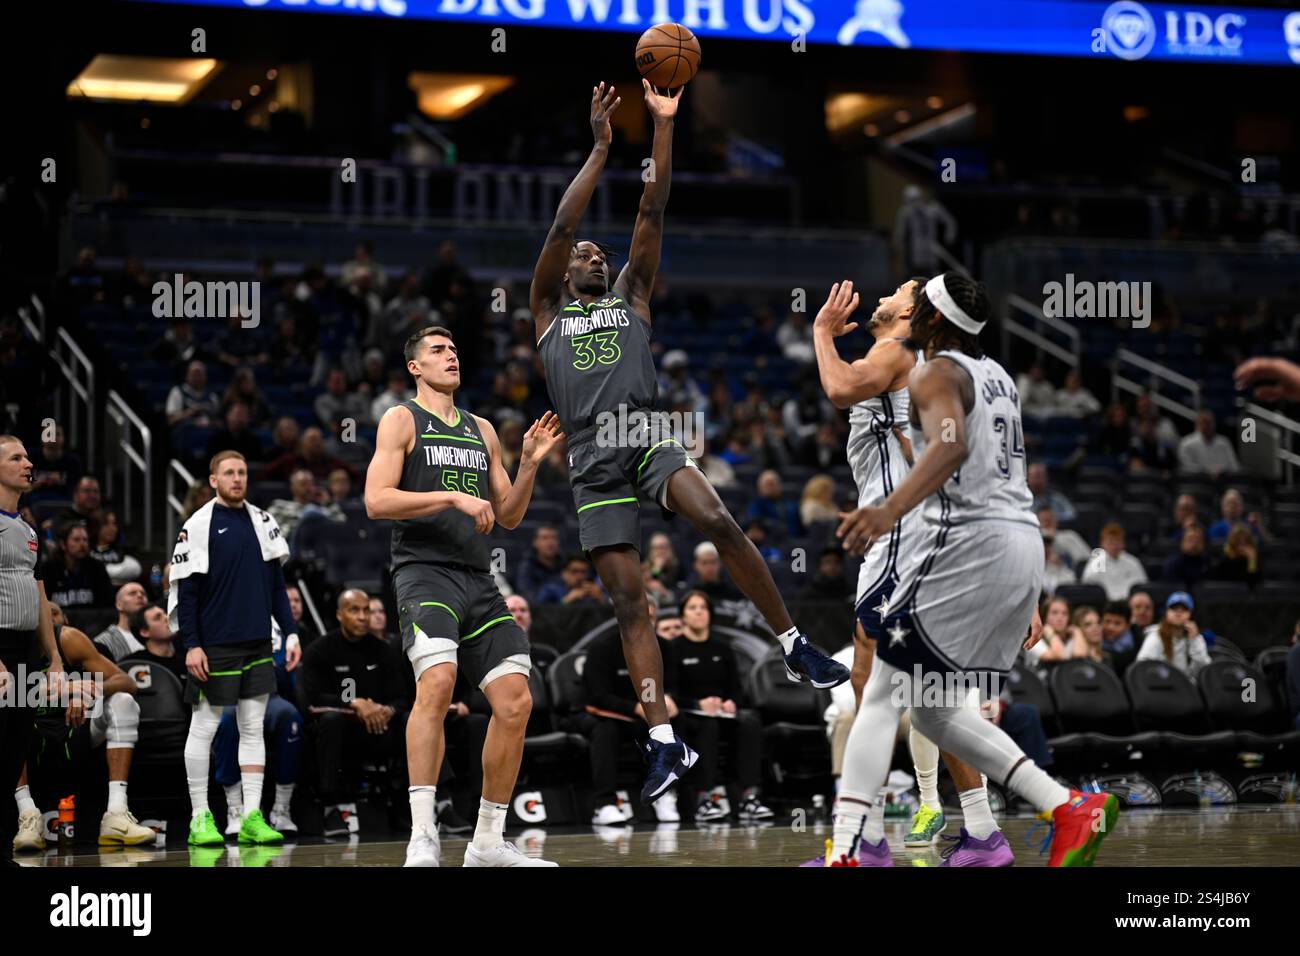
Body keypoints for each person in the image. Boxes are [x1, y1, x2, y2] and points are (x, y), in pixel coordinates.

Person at [529, 80, 848, 808]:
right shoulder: (546, 311)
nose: (592, 255)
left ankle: (794, 642)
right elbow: (556, 230)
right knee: (631, 602)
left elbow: (652, 204)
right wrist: (602, 146)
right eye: (584, 253)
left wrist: (662, 127)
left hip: (641, 433)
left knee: (717, 518)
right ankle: (665, 737)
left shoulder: (632, 297)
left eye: (598, 254)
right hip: (588, 455)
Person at [833, 272, 1118, 868]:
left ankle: (855, 850)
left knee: (881, 692)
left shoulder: (934, 371)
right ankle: (1061, 805)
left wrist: (887, 510)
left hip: (965, 547)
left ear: (929, 321)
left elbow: (950, 444)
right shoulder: (1002, 380)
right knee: (934, 705)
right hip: (1021, 545)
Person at [365, 324, 563, 867]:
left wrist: (528, 463)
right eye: (437, 350)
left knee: (516, 700)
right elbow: (376, 501)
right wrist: (451, 495)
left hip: (478, 580)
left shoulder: (482, 429)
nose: (450, 355)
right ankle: (423, 835)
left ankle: (487, 843)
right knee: (438, 681)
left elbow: (509, 515)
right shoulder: (402, 419)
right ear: (414, 367)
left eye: (454, 348)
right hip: (423, 573)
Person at [812, 277, 996, 854]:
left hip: (902, 545)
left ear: (911, 313)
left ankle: (863, 844)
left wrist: (819, 331)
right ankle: (981, 832)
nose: (883, 293)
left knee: (885, 686)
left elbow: (839, 388)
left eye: (898, 290)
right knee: (914, 695)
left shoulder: (897, 352)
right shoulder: (909, 363)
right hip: (901, 544)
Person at [168, 450, 298, 848]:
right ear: (213, 480)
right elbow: (186, 595)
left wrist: (290, 633)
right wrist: (191, 646)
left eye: (242, 472)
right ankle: (199, 817)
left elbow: (278, 587)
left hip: (258, 642)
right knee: (204, 727)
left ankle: (252, 817)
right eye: (229, 473)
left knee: (252, 728)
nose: (237, 478)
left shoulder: (263, 521)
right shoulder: (198, 525)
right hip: (215, 645)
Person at [14, 602, 155, 852]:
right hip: (28, 736)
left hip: (76, 730)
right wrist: (63, 690)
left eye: (52, 614)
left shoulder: (68, 639)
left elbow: (126, 681)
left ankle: (117, 813)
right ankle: (28, 816)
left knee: (124, 702)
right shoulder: (10, 646)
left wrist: (91, 692)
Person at [0, 436, 65, 865]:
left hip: (25, 650)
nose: (29, 463)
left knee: (17, 745)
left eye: (28, 455)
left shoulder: (25, 526)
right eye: (16, 457)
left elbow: (39, 596)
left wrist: (56, 659)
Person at [299, 590, 407, 837]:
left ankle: (413, 806)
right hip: (340, 732)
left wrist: (384, 710)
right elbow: (313, 700)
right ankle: (330, 807)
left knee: (412, 721)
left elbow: (401, 698)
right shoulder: (320, 650)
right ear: (339, 614)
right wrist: (353, 704)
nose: (362, 617)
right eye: (354, 610)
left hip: (378, 729)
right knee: (331, 721)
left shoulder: (384, 651)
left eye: (366, 610)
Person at [668, 590, 773, 822]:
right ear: (682, 615)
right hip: (690, 714)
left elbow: (735, 687)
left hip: (722, 714)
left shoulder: (722, 648)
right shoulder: (673, 649)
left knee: (750, 721)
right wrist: (698, 704)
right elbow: (670, 693)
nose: (698, 612)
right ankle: (704, 798)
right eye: (692, 608)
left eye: (703, 607)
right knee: (707, 726)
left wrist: (730, 703)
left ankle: (749, 797)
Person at [582, 594, 681, 825]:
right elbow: (598, 695)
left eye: (650, 618)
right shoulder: (602, 648)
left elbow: (674, 684)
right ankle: (604, 804)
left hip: (643, 715)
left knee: (678, 718)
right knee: (606, 731)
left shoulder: (663, 647)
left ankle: (665, 793)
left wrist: (670, 699)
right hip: (603, 713)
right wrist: (634, 707)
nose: (644, 623)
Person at [40, 520, 114, 610]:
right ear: (63, 544)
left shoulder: (97, 568)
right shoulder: (48, 569)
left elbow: (106, 605)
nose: (82, 544)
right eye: (76, 540)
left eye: (85, 540)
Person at [1136, 592, 1211, 678]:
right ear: (1166, 612)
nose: (1178, 612)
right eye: (1174, 608)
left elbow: (1205, 670)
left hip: (1185, 688)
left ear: (1190, 615)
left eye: (1184, 609)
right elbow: (1141, 667)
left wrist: (1195, 640)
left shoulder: (1195, 638)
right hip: (1160, 687)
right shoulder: (1156, 636)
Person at [1081, 522, 1148, 601]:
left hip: (1128, 604)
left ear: (1123, 543)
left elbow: (1142, 586)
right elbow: (1087, 588)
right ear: (1102, 543)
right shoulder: (1095, 563)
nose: (1115, 545)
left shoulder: (1133, 562)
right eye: (1111, 542)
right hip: (1104, 604)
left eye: (1118, 541)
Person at [126, 603, 187, 684]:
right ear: (144, 632)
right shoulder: (133, 665)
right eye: (158, 617)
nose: (167, 617)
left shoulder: (187, 662)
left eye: (165, 614)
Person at [92, 582, 149, 661]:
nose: (140, 596)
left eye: (143, 594)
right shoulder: (104, 642)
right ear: (119, 605)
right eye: (132, 593)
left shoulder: (156, 635)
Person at [1177, 410, 1240, 478]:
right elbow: (1186, 467)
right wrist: (1207, 471)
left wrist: (1220, 470)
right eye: (1204, 422)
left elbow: (1234, 467)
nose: (1207, 426)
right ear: (1198, 424)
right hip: (1195, 481)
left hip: (1222, 481)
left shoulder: (1223, 442)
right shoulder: (1186, 443)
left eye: (1209, 423)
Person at [87, 509, 143, 586]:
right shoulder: (86, 550)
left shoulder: (125, 550)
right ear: (96, 526)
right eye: (106, 524)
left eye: (114, 524)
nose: (112, 528)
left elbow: (135, 570)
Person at [745, 469, 803, 539]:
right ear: (760, 488)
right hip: (771, 542)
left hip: (793, 540)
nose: (770, 488)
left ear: (779, 486)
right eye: (767, 485)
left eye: (772, 484)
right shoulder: (755, 505)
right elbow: (756, 524)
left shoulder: (791, 505)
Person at [515, 525, 564, 603]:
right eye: (545, 538)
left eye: (554, 538)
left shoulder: (566, 565)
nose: (550, 542)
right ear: (535, 542)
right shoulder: (526, 568)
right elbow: (528, 597)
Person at [536, 553, 606, 607]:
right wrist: (567, 600)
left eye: (583, 572)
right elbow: (540, 613)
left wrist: (602, 599)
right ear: (564, 574)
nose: (579, 576)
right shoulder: (550, 590)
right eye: (574, 571)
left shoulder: (594, 591)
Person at [1161, 522, 1213, 591]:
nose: (1194, 544)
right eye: (1190, 539)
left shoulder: (1208, 562)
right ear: (1182, 542)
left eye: (1198, 540)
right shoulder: (1173, 564)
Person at [1211, 524, 1260, 589]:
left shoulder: (1253, 557)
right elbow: (1220, 578)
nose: (1242, 544)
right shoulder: (1224, 556)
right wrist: (1233, 556)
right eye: (1238, 540)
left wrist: (1252, 560)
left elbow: (1254, 583)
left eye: (1245, 540)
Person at [1100, 601, 1138, 675]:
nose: (1110, 627)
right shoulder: (1095, 636)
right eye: (1107, 621)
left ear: (1127, 626)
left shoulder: (1137, 643)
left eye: (1117, 623)